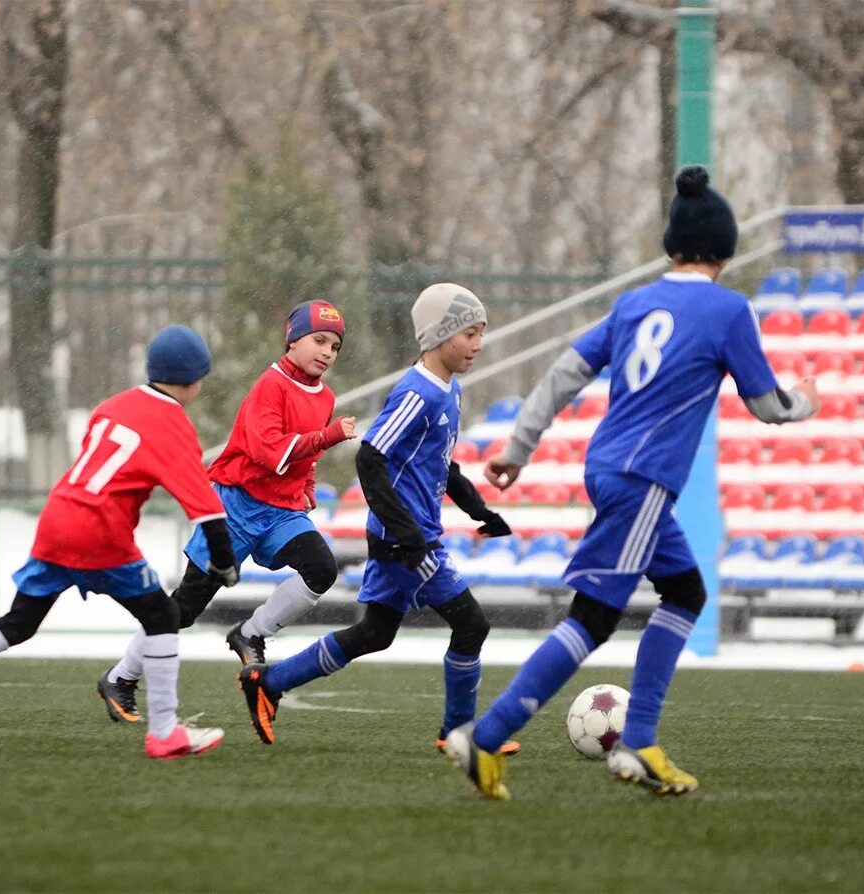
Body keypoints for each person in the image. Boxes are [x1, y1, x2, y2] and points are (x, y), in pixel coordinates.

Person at [444, 167, 822, 799]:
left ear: (672, 247)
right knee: (592, 618)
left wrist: (518, 446)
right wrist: (804, 400)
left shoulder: (635, 302)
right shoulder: (729, 308)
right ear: (724, 252)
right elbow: (768, 406)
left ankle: (639, 742)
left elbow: (565, 371)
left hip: (613, 470)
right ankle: (485, 737)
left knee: (685, 593)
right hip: (643, 479)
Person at [0, 325, 239, 760]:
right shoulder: (173, 424)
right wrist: (223, 563)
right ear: (194, 380)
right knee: (163, 616)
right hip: (99, 531)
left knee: (18, 623)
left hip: (59, 518)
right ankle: (164, 731)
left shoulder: (112, 406)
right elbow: (206, 511)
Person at [237, 284, 519, 755]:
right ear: (440, 334)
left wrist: (480, 511)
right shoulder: (417, 392)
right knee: (472, 626)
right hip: (406, 542)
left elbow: (441, 465)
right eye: (470, 333)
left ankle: (269, 681)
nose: (478, 344)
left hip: (409, 538)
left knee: (375, 633)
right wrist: (409, 537)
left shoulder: (449, 390)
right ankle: (459, 734)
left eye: (481, 333)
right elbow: (370, 458)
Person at [94, 301, 357, 725]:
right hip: (235, 505)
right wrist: (326, 437)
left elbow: (302, 457)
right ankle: (120, 678)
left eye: (335, 346)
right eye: (318, 340)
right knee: (182, 611)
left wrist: (307, 484)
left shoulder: (324, 395)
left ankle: (250, 633)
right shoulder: (270, 386)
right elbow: (271, 452)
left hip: (281, 512)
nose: (327, 351)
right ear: (292, 340)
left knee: (321, 569)